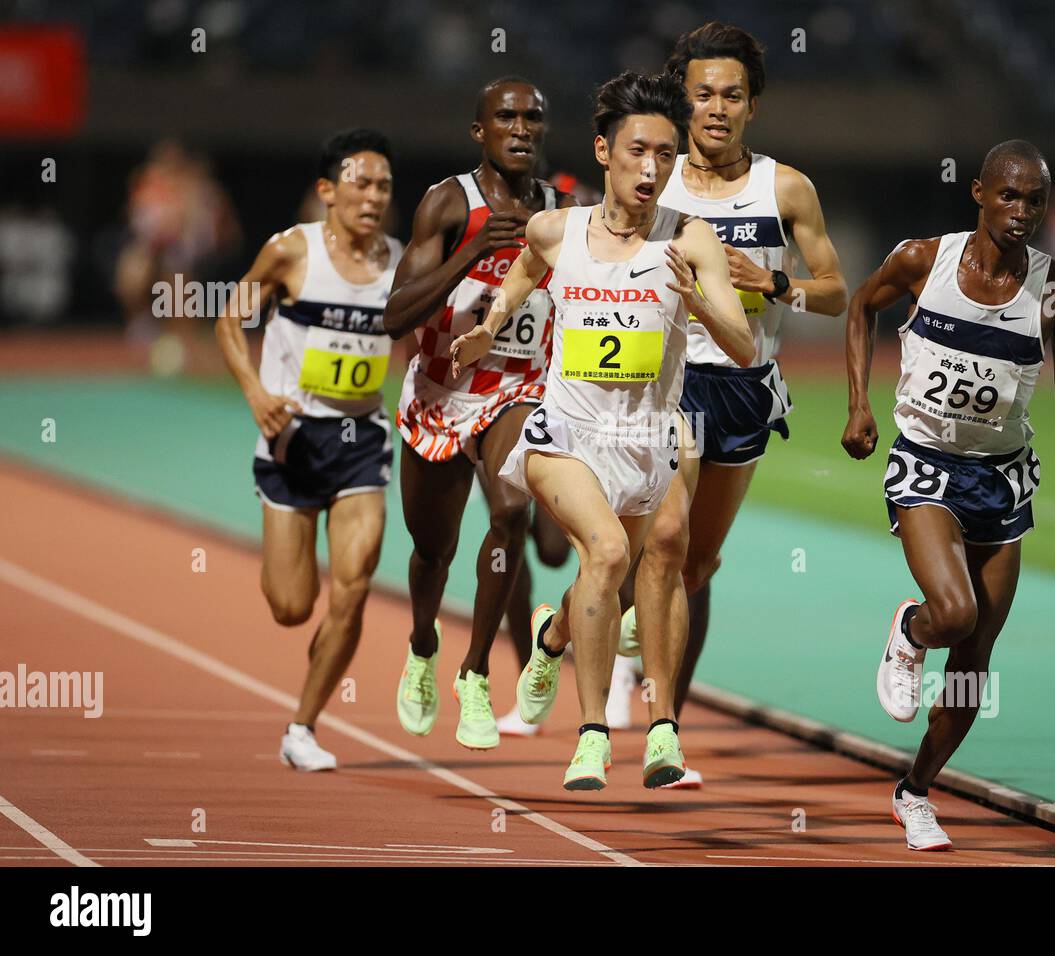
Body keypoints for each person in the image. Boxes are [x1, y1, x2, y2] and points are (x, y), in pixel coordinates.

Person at [451, 70, 754, 790]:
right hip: (567, 432)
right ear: (603, 152)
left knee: (646, 567)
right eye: (638, 151)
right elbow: (525, 269)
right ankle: (592, 735)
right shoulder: (558, 230)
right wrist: (489, 328)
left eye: (666, 155)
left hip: (648, 438)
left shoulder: (692, 241)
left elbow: (744, 347)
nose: (652, 169)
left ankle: (561, 644)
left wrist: (701, 305)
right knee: (610, 551)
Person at [841, 140, 1055, 849]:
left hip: (1003, 476)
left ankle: (914, 792)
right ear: (978, 193)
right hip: (926, 463)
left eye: (1036, 200)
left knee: (975, 659)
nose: (1022, 212)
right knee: (953, 613)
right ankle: (911, 630)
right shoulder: (926, 260)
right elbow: (860, 307)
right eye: (1009, 196)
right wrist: (859, 404)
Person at [618, 21, 849, 788]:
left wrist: (773, 283)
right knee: (669, 544)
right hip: (669, 383)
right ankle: (661, 725)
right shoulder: (656, 181)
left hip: (748, 388)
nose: (717, 109)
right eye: (703, 94)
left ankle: (617, 629)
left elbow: (836, 292)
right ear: (683, 102)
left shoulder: (785, 188)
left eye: (732, 95)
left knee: (699, 563)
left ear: (753, 105)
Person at [383, 77, 574, 751]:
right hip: (440, 396)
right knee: (432, 552)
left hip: (518, 392)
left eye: (533, 118)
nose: (521, 128)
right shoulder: (447, 203)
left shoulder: (563, 213)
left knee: (510, 511)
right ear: (480, 132)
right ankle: (424, 645)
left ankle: (474, 674)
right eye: (506, 118)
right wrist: (473, 252)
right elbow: (394, 315)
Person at [214, 128, 401, 770]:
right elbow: (229, 317)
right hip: (291, 440)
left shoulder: (401, 264)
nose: (373, 196)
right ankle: (318, 655)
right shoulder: (290, 252)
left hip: (361, 445)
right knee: (293, 608)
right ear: (327, 191)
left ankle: (303, 727)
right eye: (360, 183)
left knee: (352, 590)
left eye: (383, 185)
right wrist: (254, 394)